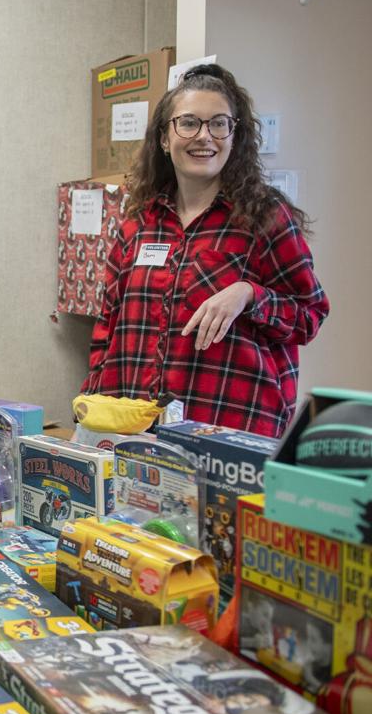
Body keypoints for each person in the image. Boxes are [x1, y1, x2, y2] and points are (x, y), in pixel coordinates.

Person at [82, 64, 328, 437]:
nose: (204, 136)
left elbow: (309, 314)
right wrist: (89, 409)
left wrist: (249, 294)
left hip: (227, 429)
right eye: (189, 123)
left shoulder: (264, 218)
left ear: (234, 136)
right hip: (134, 427)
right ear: (165, 138)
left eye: (218, 124)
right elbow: (108, 324)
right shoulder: (138, 223)